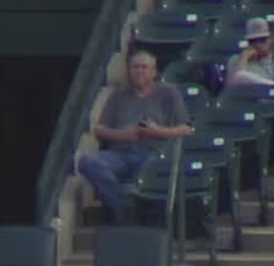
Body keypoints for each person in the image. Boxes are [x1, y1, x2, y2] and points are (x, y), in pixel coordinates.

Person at [76, 50, 192, 225]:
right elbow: (100, 130)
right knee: (88, 162)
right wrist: (125, 135)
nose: (139, 71)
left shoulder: (168, 93)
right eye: (135, 67)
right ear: (129, 70)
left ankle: (126, 212)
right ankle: (124, 207)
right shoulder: (118, 95)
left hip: (155, 155)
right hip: (120, 154)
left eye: (144, 67)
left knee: (153, 168)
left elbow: (186, 130)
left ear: (154, 72)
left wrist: (156, 131)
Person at [223, 18, 274, 178]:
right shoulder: (237, 62)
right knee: (243, 77)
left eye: (262, 40)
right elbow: (232, 88)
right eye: (253, 41)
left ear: (271, 39)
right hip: (254, 109)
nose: (258, 44)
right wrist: (244, 58)